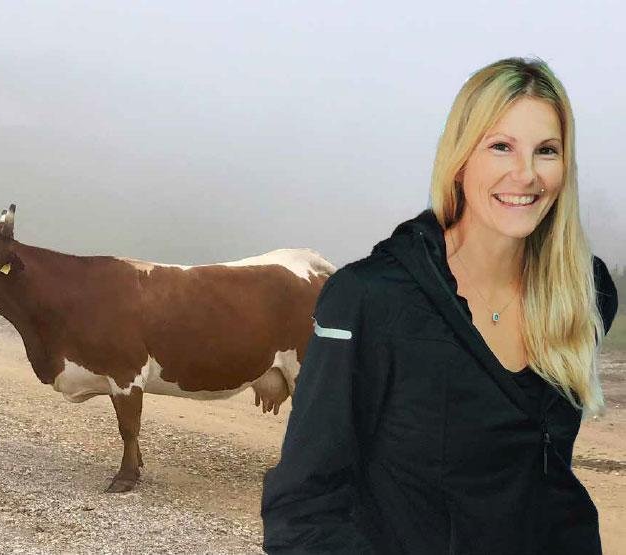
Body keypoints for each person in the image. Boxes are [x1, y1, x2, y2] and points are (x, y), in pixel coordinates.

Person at [261, 58, 618, 554]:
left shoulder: (585, 291)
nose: (527, 174)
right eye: (501, 147)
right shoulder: (369, 298)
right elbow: (302, 512)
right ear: (461, 157)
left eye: (547, 151)